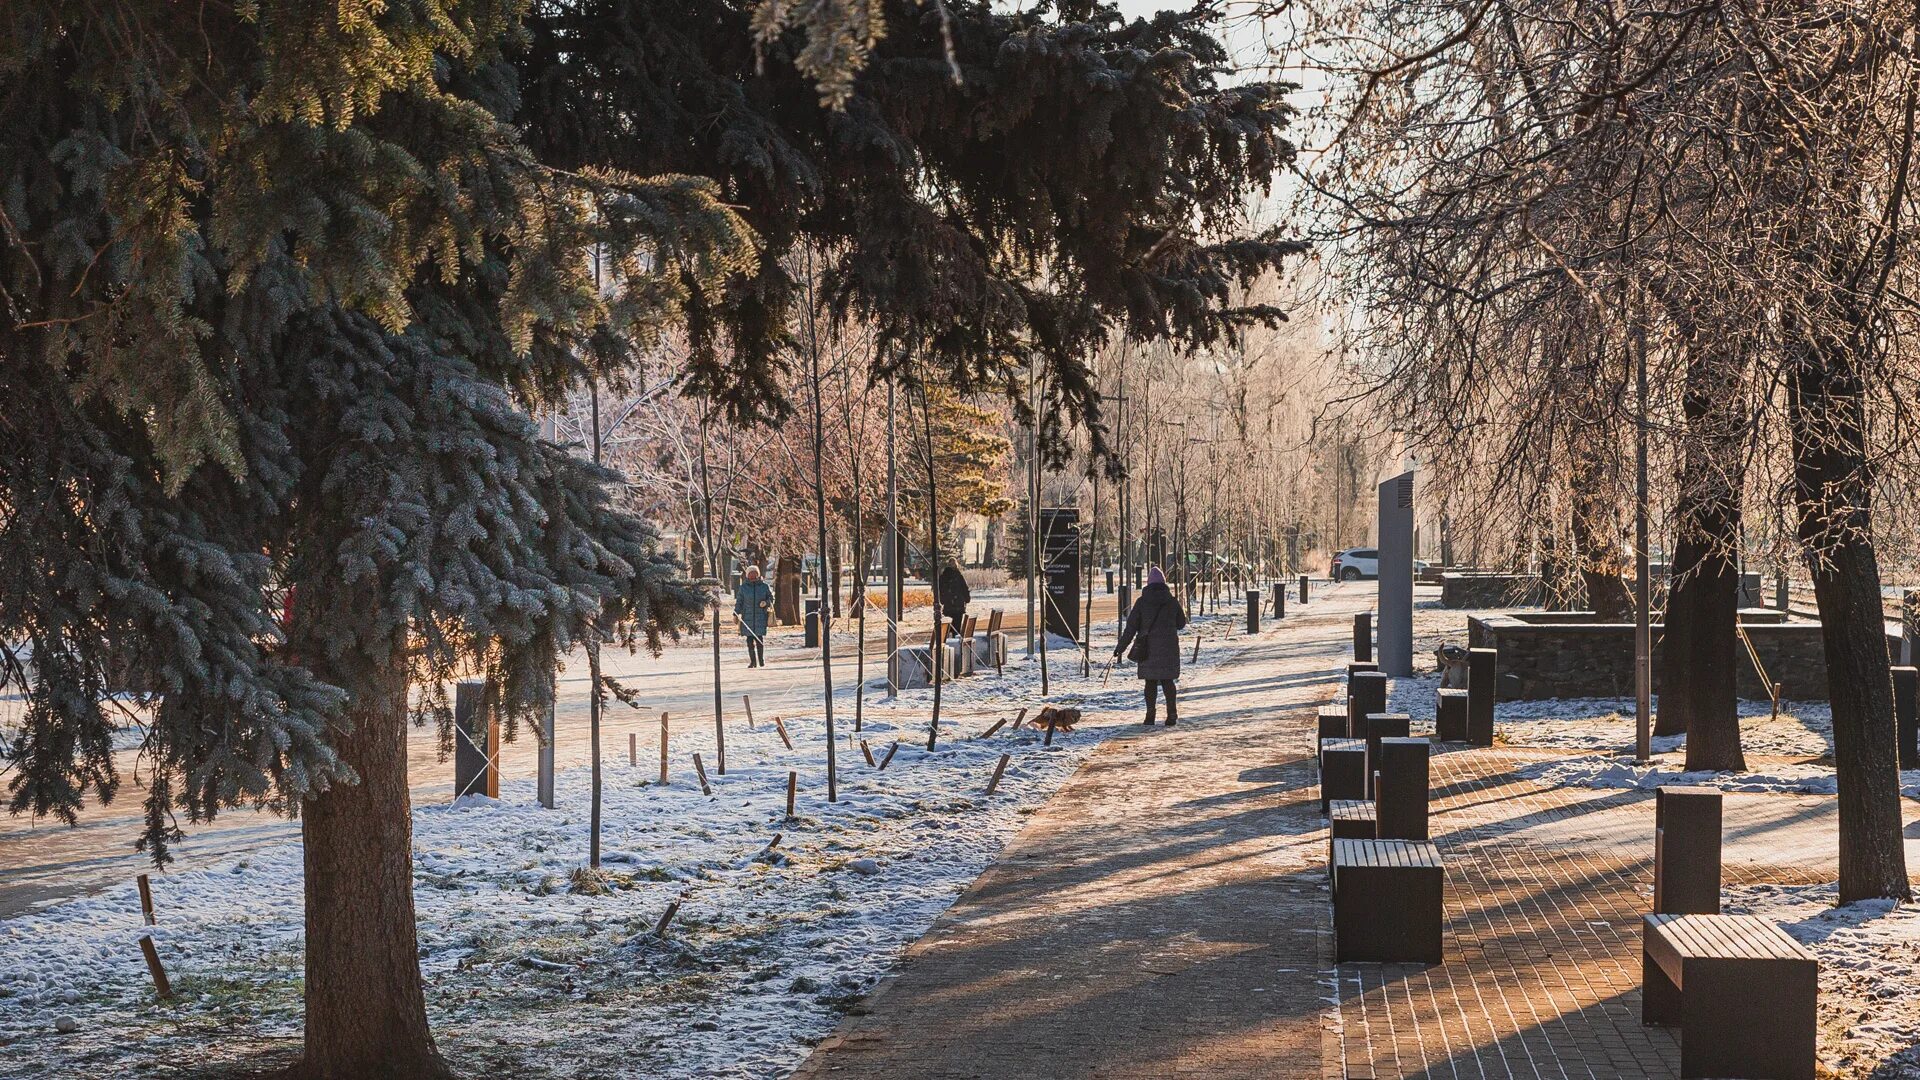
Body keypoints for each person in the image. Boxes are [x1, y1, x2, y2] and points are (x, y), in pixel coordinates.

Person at [1114, 565, 1188, 725]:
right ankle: (1172, 714)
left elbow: (1131, 628)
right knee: (1168, 681)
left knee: (1150, 682)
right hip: (1169, 649)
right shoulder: (1172, 602)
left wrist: (1120, 648)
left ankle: (1150, 716)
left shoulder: (1142, 603)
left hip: (1147, 648)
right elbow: (1181, 624)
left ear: (1148, 583)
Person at [734, 565, 773, 667]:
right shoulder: (743, 588)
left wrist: (766, 602)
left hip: (760, 617)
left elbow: (771, 599)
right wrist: (736, 613)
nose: (753, 575)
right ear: (747, 575)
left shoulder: (764, 587)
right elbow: (739, 602)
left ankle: (761, 660)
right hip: (747, 618)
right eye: (751, 573)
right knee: (749, 640)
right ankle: (753, 661)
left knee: (759, 639)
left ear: (758, 574)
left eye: (754, 573)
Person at [936, 556, 971, 639]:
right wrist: (967, 599)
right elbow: (964, 588)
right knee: (957, 627)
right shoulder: (958, 575)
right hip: (958, 606)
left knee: (947, 626)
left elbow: (939, 589)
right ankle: (956, 642)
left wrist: (943, 600)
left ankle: (947, 641)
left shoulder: (943, 577)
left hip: (948, 606)